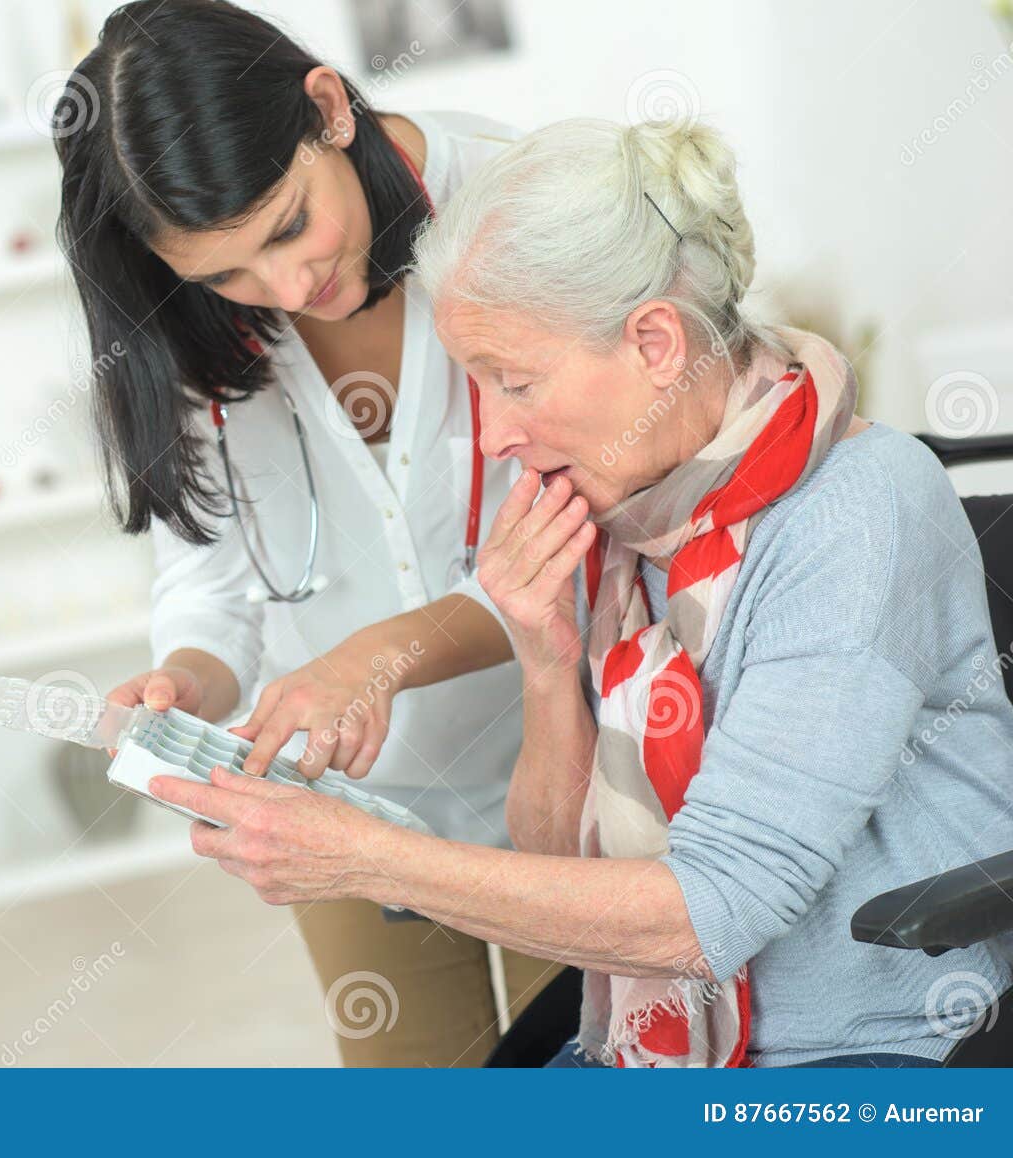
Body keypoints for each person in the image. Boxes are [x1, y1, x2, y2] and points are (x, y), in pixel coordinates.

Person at [150, 116, 1013, 1067]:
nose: (494, 437)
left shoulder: (857, 510)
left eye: (514, 383)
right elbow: (557, 864)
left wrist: (365, 858)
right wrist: (544, 659)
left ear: (655, 343)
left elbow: (711, 911)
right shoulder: (629, 515)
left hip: (873, 1052)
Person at [54, 0, 559, 1065]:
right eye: (225, 272)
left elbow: (589, 544)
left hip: (569, 772)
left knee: (587, 1090)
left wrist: (378, 658)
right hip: (343, 811)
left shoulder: (520, 205)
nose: (287, 290)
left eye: (288, 227)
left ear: (328, 108)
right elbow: (211, 583)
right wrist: (185, 683)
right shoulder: (184, 322)